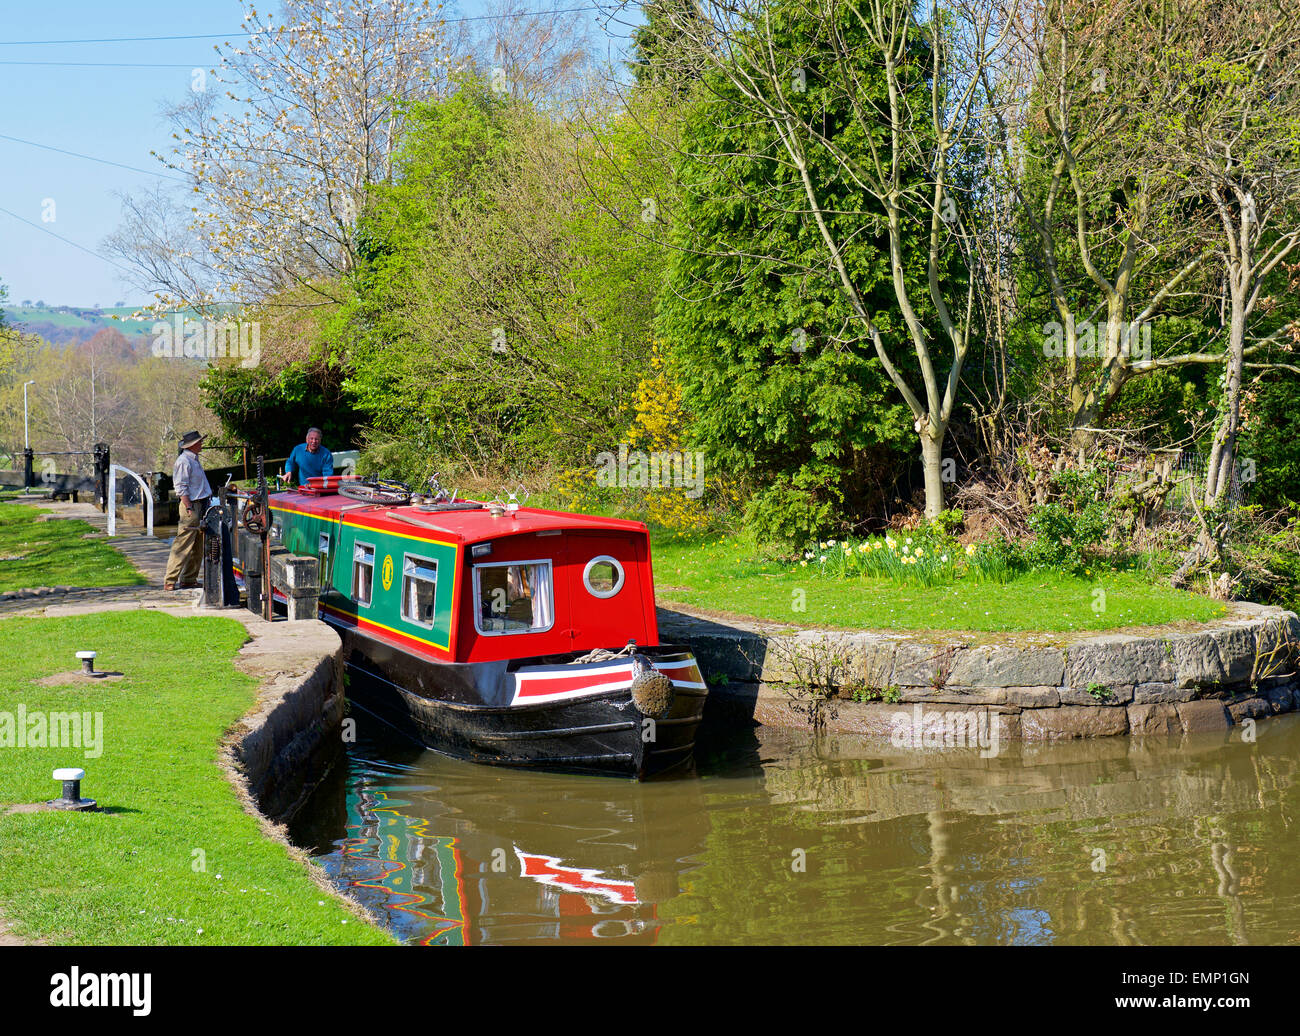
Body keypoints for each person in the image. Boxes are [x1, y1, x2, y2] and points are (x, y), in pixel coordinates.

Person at [164, 430, 213, 591]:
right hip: (191, 506)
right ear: (192, 445)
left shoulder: (193, 459)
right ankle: (170, 580)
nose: (201, 444)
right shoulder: (184, 461)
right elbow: (181, 487)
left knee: (197, 545)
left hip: (200, 504)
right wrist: (189, 507)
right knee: (183, 543)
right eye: (199, 442)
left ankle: (189, 579)